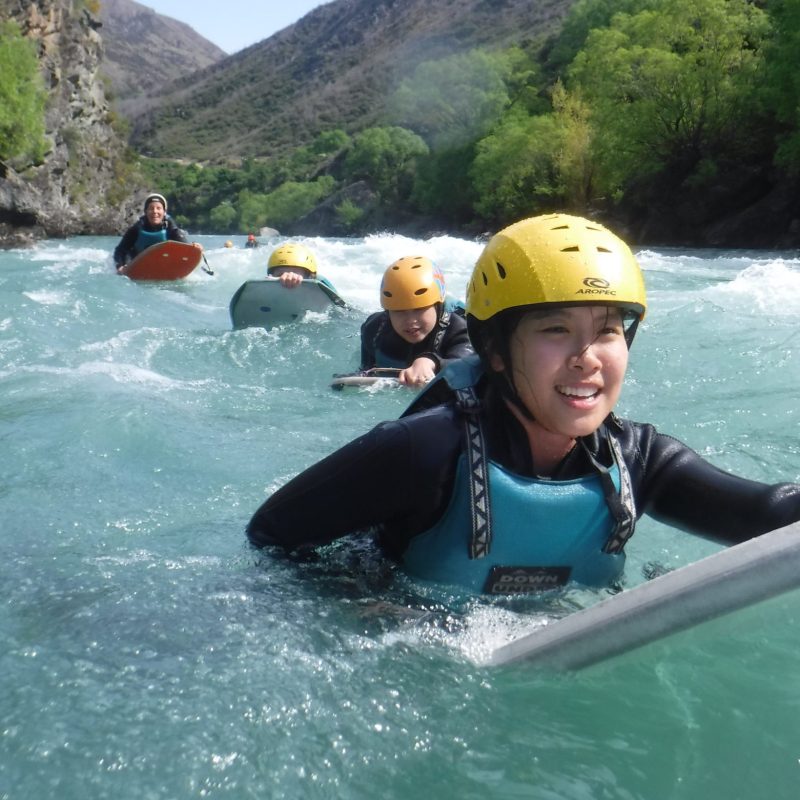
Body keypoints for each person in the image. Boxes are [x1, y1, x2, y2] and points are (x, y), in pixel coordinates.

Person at [246, 213, 800, 596]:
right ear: (494, 350)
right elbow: (270, 535)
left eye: (607, 331)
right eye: (556, 330)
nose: (588, 359)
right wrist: (357, 605)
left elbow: (768, 513)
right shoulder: (421, 452)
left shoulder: (638, 459)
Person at [359, 256, 474, 387]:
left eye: (419, 309)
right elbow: (365, 371)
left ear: (437, 305)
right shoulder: (374, 330)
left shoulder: (462, 329)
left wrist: (432, 361)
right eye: (399, 311)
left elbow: (469, 365)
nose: (410, 321)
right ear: (387, 311)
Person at [113, 193, 198, 272]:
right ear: (146, 212)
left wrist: (195, 248)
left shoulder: (171, 228)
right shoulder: (137, 228)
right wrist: (120, 266)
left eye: (158, 208)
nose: (155, 211)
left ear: (164, 212)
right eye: (151, 208)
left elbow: (186, 248)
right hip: (138, 261)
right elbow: (120, 250)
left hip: (164, 261)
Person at [267, 242, 338, 294]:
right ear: (271, 275)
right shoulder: (264, 288)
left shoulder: (319, 282)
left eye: (295, 274)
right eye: (280, 274)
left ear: (310, 277)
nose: (288, 277)